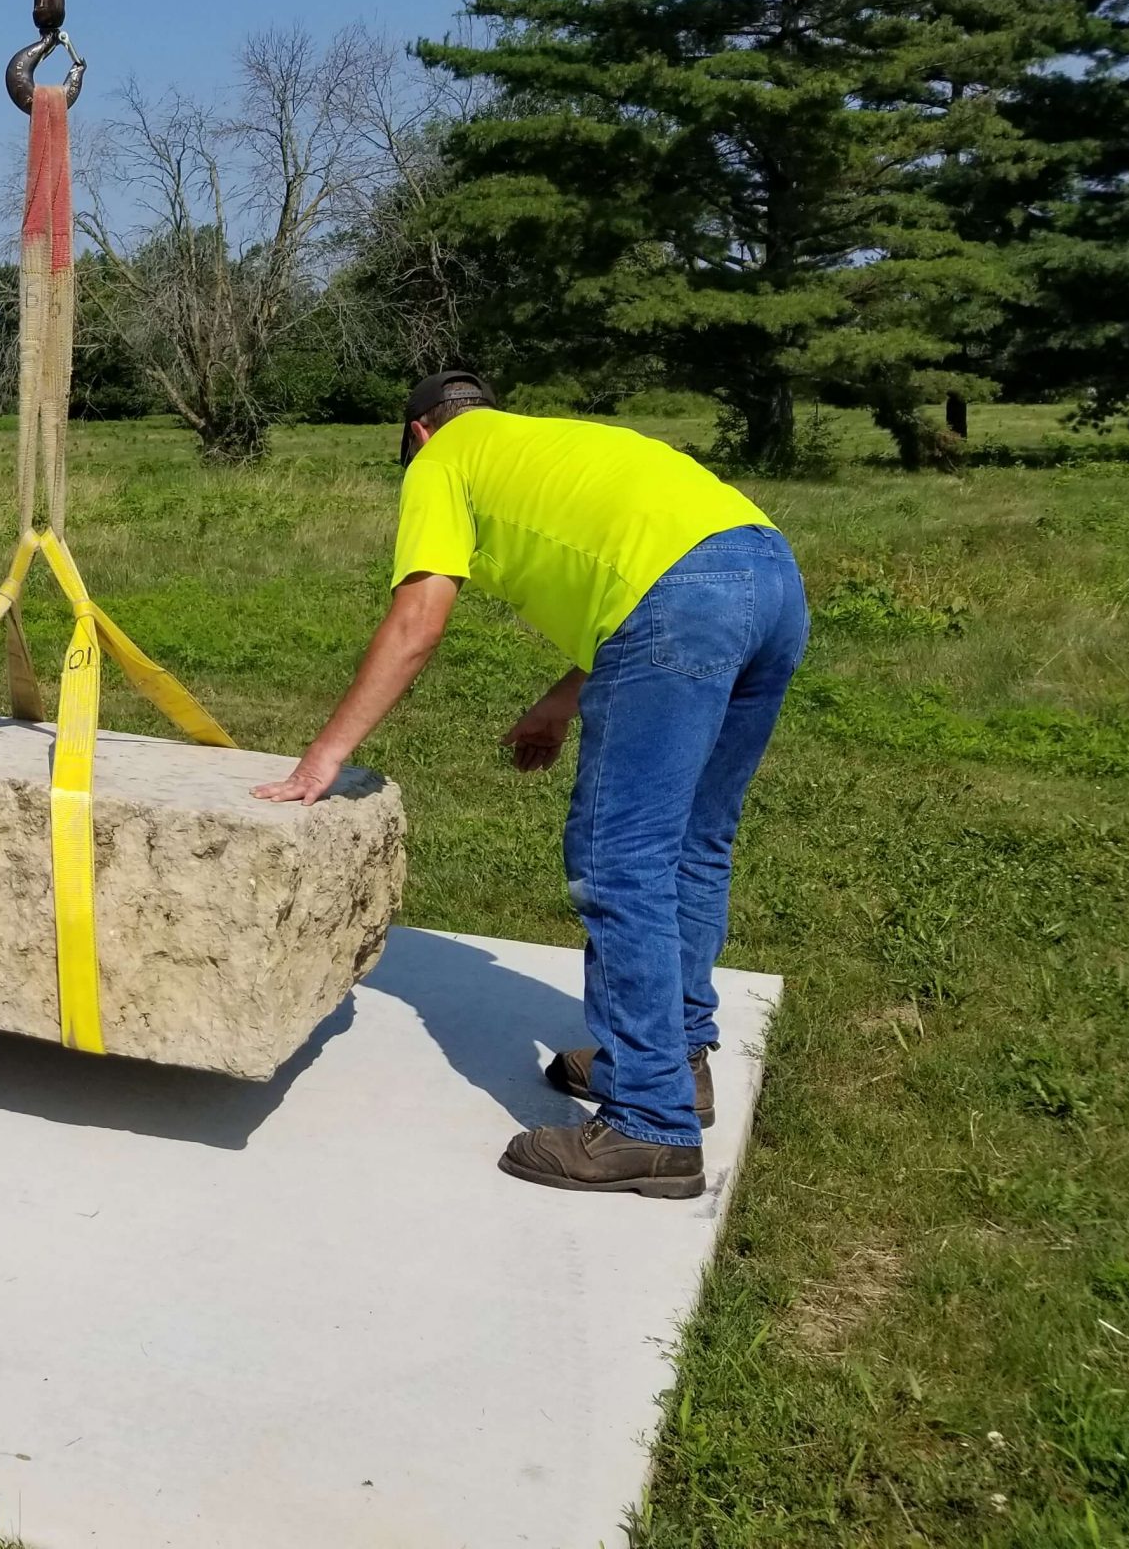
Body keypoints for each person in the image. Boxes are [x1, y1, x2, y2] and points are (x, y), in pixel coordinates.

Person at [253, 372, 807, 1200]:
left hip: (684, 600)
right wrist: (557, 704)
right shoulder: (550, 440)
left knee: (621, 862)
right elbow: (659, 570)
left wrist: (324, 757)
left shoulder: (443, 461)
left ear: (418, 433)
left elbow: (420, 617)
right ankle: (672, 1059)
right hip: (770, 575)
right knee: (694, 843)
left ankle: (649, 1125)